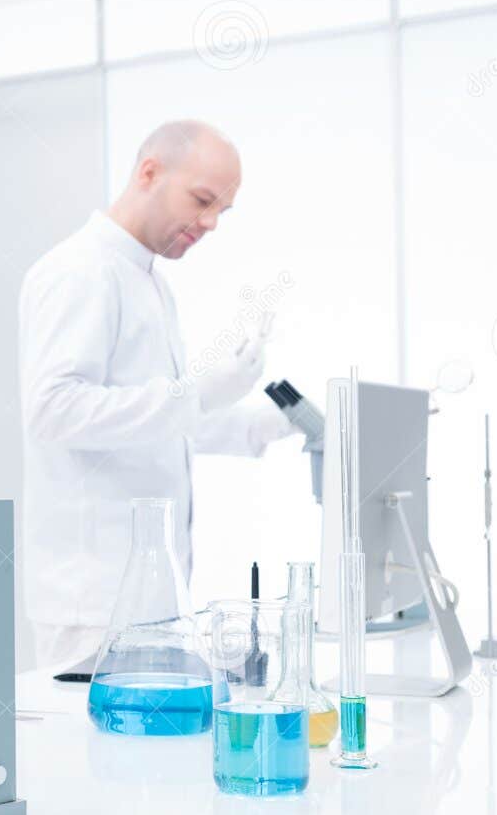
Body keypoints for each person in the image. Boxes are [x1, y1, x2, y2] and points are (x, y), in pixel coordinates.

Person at [18, 120, 293, 673]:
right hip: (94, 600)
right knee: (95, 758)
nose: (210, 223)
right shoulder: (81, 272)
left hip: (147, 599)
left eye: (222, 211)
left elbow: (151, 423)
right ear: (148, 172)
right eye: (201, 200)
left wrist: (270, 421)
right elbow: (55, 411)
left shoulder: (148, 281)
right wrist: (195, 392)